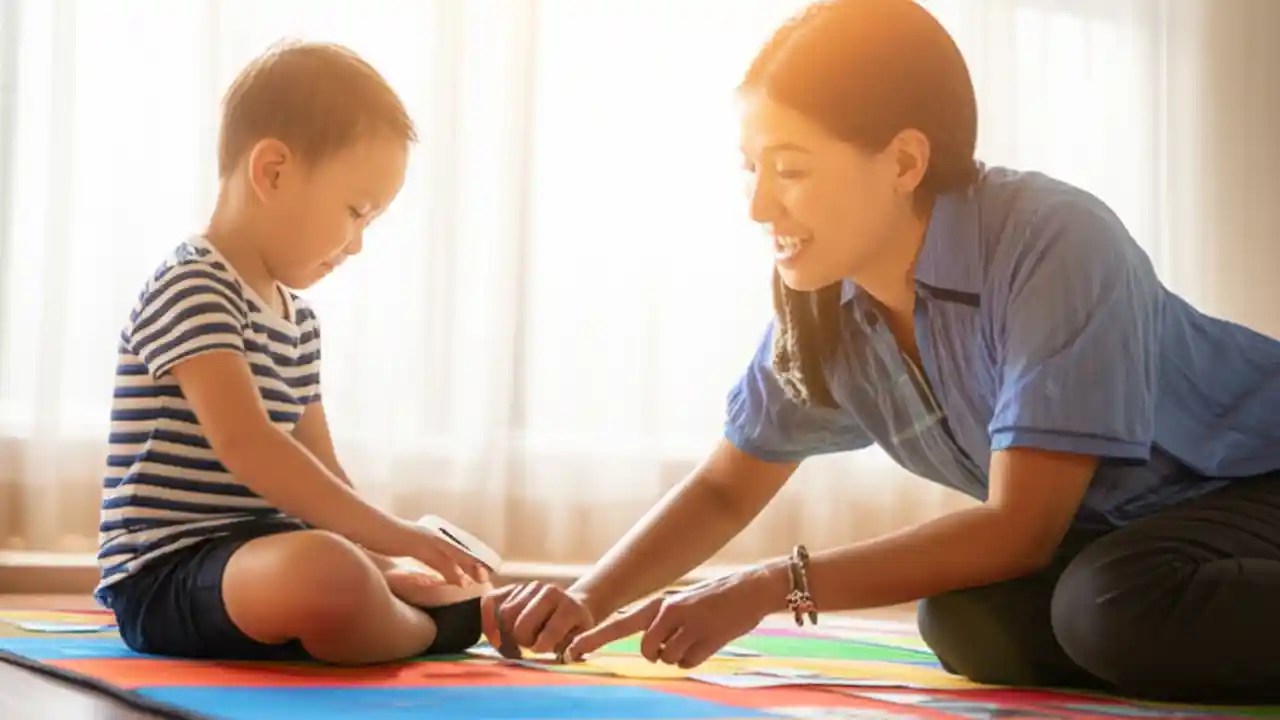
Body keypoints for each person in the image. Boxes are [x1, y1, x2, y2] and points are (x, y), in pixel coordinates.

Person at [483, 0, 1280, 703]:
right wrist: (588, 597)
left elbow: (1018, 530)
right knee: (969, 624)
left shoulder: (1055, 240)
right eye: (751, 168)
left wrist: (767, 586)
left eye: (789, 169)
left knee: (1109, 607)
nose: (759, 204)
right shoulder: (827, 302)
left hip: (1253, 483)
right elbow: (729, 487)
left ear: (903, 161)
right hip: (1134, 534)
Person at [95, 41, 490, 665]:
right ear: (273, 171)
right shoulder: (192, 283)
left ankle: (385, 609)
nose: (357, 244)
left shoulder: (299, 321)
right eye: (356, 212)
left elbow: (321, 463)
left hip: (262, 557)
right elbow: (249, 444)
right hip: (169, 575)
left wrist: (387, 558)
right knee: (326, 571)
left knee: (352, 567)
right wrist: (387, 538)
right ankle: (424, 633)